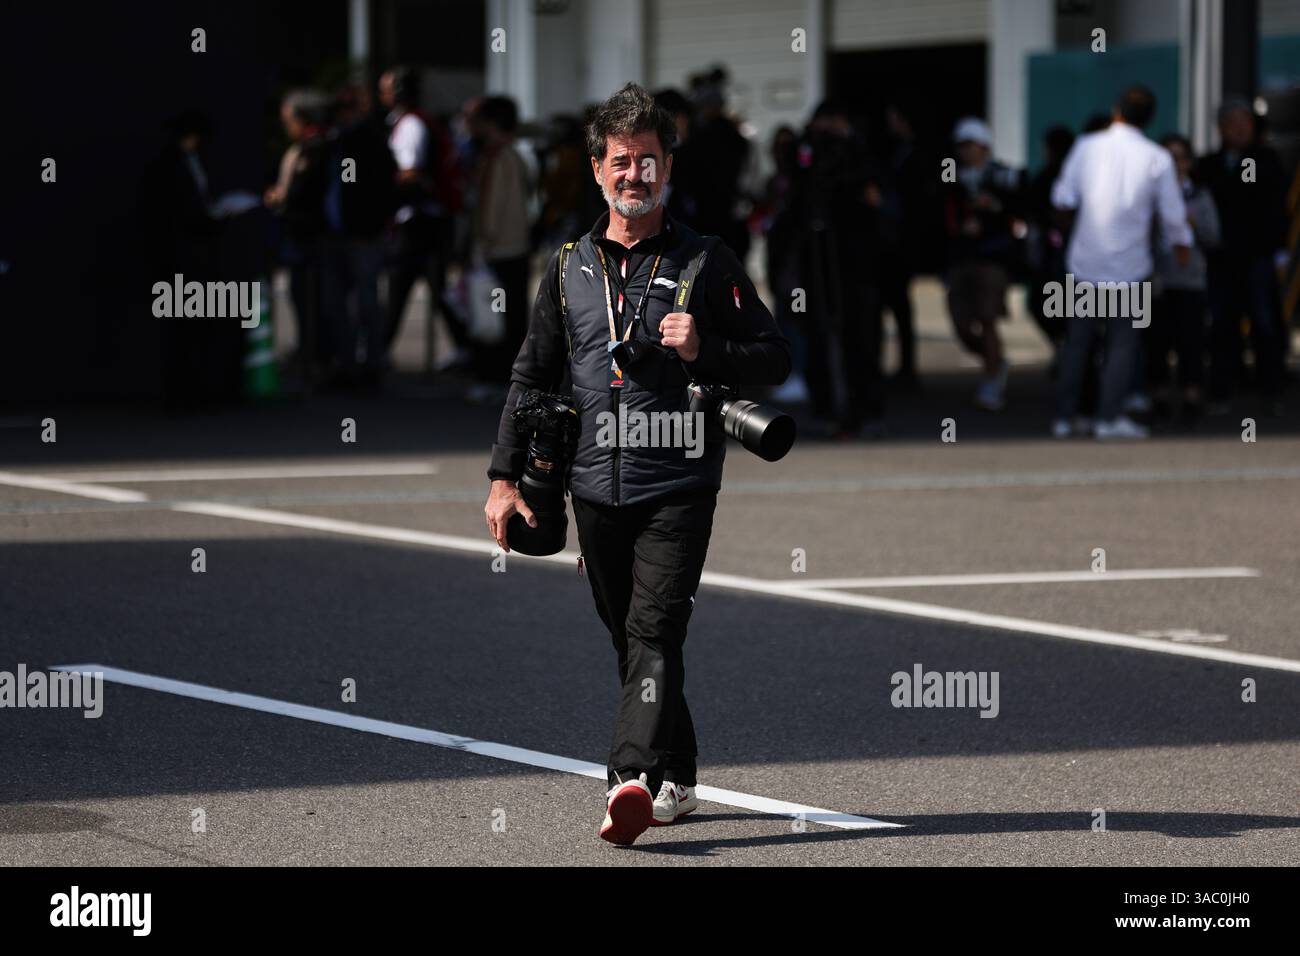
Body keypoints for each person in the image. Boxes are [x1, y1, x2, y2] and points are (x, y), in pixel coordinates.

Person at [483, 83, 791, 846]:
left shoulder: (707, 259)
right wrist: (502, 478)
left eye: (648, 162)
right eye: (622, 162)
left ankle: (630, 778)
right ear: (597, 169)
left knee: (655, 628)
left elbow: (775, 354)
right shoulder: (567, 268)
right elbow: (530, 376)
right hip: (591, 483)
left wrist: (703, 348)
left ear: (667, 169)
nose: (635, 176)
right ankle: (680, 775)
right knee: (632, 637)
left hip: (679, 480)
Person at [1050, 86, 1192, 439]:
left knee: (1078, 343)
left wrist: (1069, 229)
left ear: (1116, 112)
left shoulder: (1086, 147)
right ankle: (1108, 418)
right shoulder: (1156, 157)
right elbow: (1173, 216)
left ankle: (1065, 418)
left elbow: (1062, 198)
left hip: (1085, 262)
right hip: (1130, 266)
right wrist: (1182, 248)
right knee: (1122, 345)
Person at [1195, 99, 1289, 414]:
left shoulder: (1266, 160)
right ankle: (1223, 389)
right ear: (1219, 127)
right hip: (1221, 259)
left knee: (1265, 324)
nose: (1238, 128)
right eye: (1232, 122)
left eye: (1244, 121)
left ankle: (1270, 391)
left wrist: (1279, 250)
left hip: (1257, 256)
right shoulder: (1208, 164)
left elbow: (1272, 204)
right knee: (1222, 325)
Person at [941, 117, 1025, 411]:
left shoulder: (1002, 175)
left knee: (988, 318)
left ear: (984, 146)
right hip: (962, 259)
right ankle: (996, 360)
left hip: (992, 258)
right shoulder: (952, 178)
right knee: (961, 322)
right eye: (961, 146)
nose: (965, 152)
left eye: (971, 145)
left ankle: (991, 381)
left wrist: (996, 209)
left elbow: (1023, 207)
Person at [1150, 133, 1220, 420]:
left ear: (1189, 163)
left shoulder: (1199, 195)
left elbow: (1214, 236)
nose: (1174, 164)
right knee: (1157, 342)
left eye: (1179, 158)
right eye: (1168, 158)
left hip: (1190, 278)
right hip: (1157, 279)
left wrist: (1192, 222)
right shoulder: (1150, 196)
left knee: (1190, 340)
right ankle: (1158, 396)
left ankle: (1192, 395)